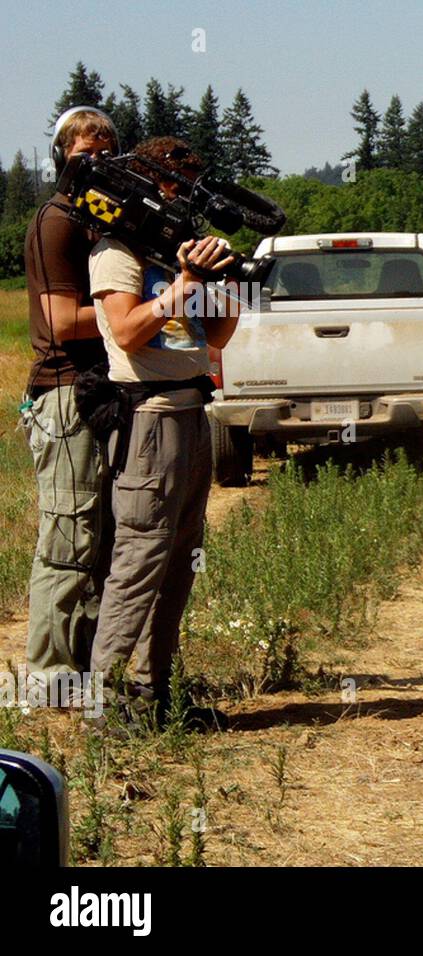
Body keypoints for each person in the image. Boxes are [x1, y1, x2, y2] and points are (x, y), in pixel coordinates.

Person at [86, 136, 241, 726]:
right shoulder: (117, 250)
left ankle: (154, 694)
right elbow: (125, 332)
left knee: (181, 557)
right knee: (139, 558)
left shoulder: (182, 249)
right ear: (146, 183)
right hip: (148, 417)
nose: (181, 199)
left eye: (188, 188)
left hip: (192, 412)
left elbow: (219, 337)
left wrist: (220, 279)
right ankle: (101, 702)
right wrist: (180, 285)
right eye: (174, 185)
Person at [20, 106, 119, 704]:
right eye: (85, 155)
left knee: (102, 535)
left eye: (107, 156)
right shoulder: (57, 222)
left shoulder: (100, 220)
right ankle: (49, 679)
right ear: (63, 158)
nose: (97, 165)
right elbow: (60, 321)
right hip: (62, 393)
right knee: (68, 535)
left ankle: (86, 669)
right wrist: (137, 310)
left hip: (98, 391)